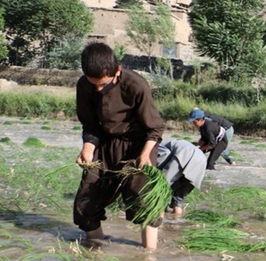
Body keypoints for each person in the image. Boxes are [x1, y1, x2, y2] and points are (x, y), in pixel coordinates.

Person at [74, 42, 166, 250]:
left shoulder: (137, 85)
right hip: (105, 143)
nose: (98, 89)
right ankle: (97, 250)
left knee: (144, 200)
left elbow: (154, 128)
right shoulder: (84, 86)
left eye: (103, 85)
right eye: (94, 84)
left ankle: (148, 258)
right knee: (85, 203)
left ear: (118, 70)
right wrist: (88, 148)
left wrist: (144, 156)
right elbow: (89, 124)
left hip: (140, 144)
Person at [156, 139, 206, 218]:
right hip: (202, 162)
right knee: (179, 197)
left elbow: (163, 157)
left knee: (162, 187)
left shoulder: (159, 145)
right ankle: (176, 222)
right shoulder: (183, 144)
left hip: (185, 154)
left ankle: (159, 222)